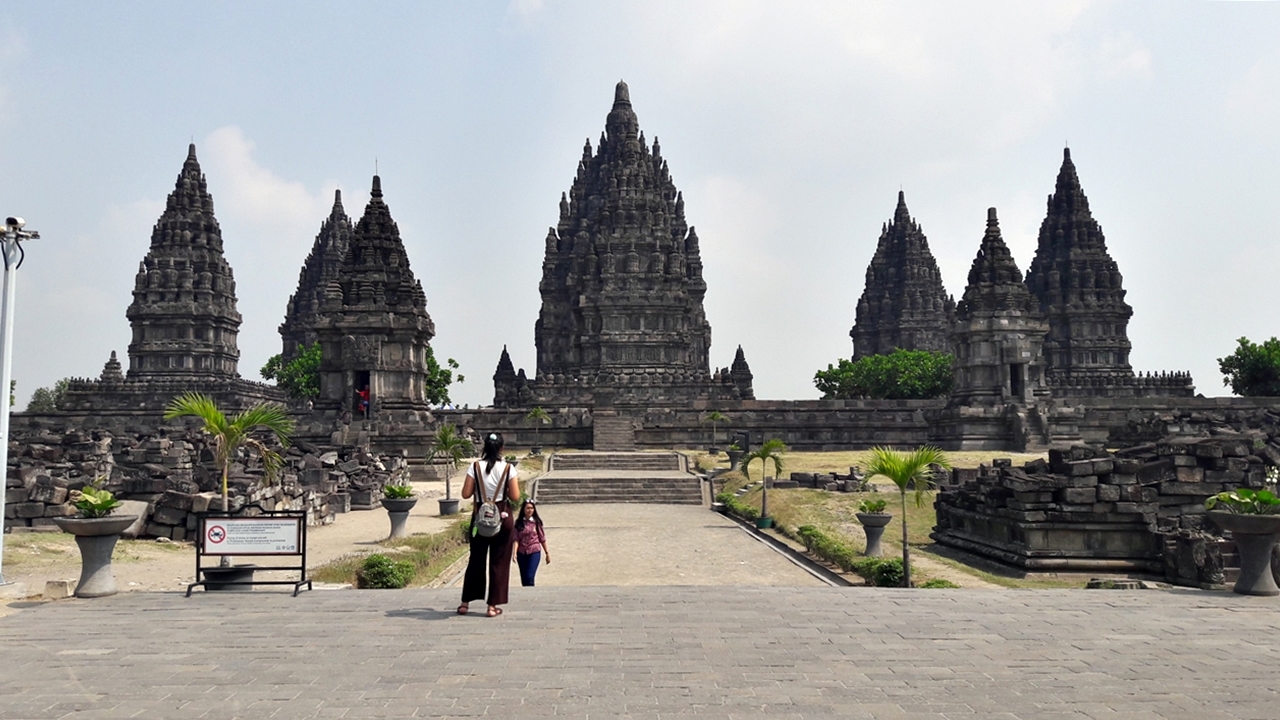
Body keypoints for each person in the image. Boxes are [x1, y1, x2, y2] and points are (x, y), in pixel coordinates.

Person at [458, 432, 519, 618]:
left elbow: (466, 494)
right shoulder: (509, 468)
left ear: (484, 447)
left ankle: (465, 603)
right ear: (502, 449)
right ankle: (492, 606)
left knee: (476, 559)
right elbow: (516, 497)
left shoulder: (475, 467)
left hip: (480, 517)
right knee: (499, 562)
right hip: (502, 515)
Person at [512, 499, 550, 587]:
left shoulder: (536, 523)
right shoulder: (519, 523)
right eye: (528, 508)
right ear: (523, 510)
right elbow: (516, 539)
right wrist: (514, 553)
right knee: (524, 578)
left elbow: (542, 538)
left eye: (532, 508)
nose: (530, 510)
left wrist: (547, 553)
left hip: (534, 551)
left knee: (530, 577)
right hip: (521, 552)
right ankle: (527, 596)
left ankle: (532, 594)